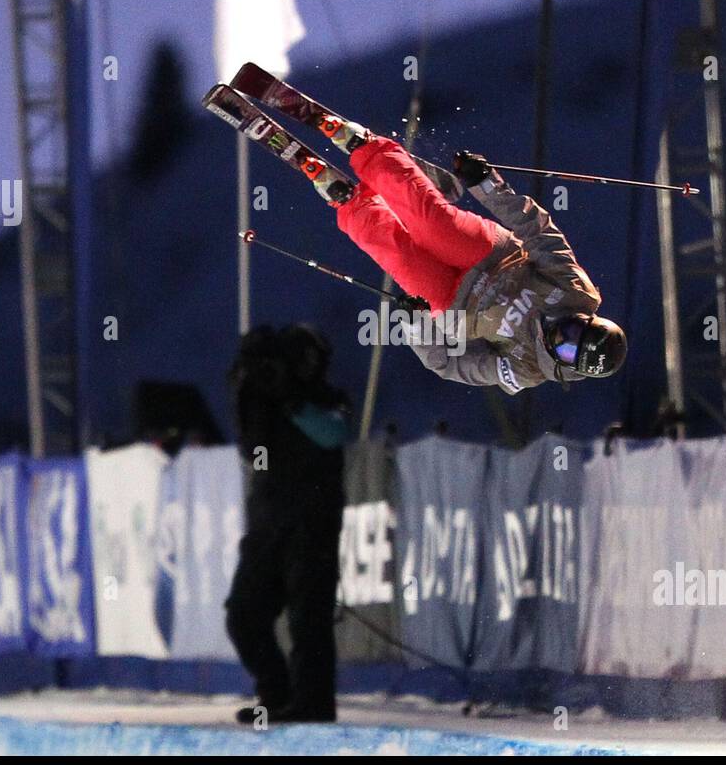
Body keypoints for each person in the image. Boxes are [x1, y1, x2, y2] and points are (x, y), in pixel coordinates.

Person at [315, 121, 628, 394]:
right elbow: (538, 232)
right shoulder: (575, 292)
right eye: (574, 330)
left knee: (402, 260)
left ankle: (350, 202)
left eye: (568, 350)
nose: (563, 336)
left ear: (567, 365)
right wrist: (487, 185)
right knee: (433, 225)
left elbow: (448, 364)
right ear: (586, 319)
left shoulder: (525, 370)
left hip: (455, 304)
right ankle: (368, 150)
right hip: (492, 256)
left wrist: (416, 326)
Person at [225, 324, 349, 724]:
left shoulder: (329, 400)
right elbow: (251, 447)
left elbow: (332, 434)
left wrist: (292, 400)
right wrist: (252, 390)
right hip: (267, 522)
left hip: (313, 523)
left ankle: (312, 705)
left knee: (308, 618)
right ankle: (276, 692)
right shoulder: (262, 400)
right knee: (244, 613)